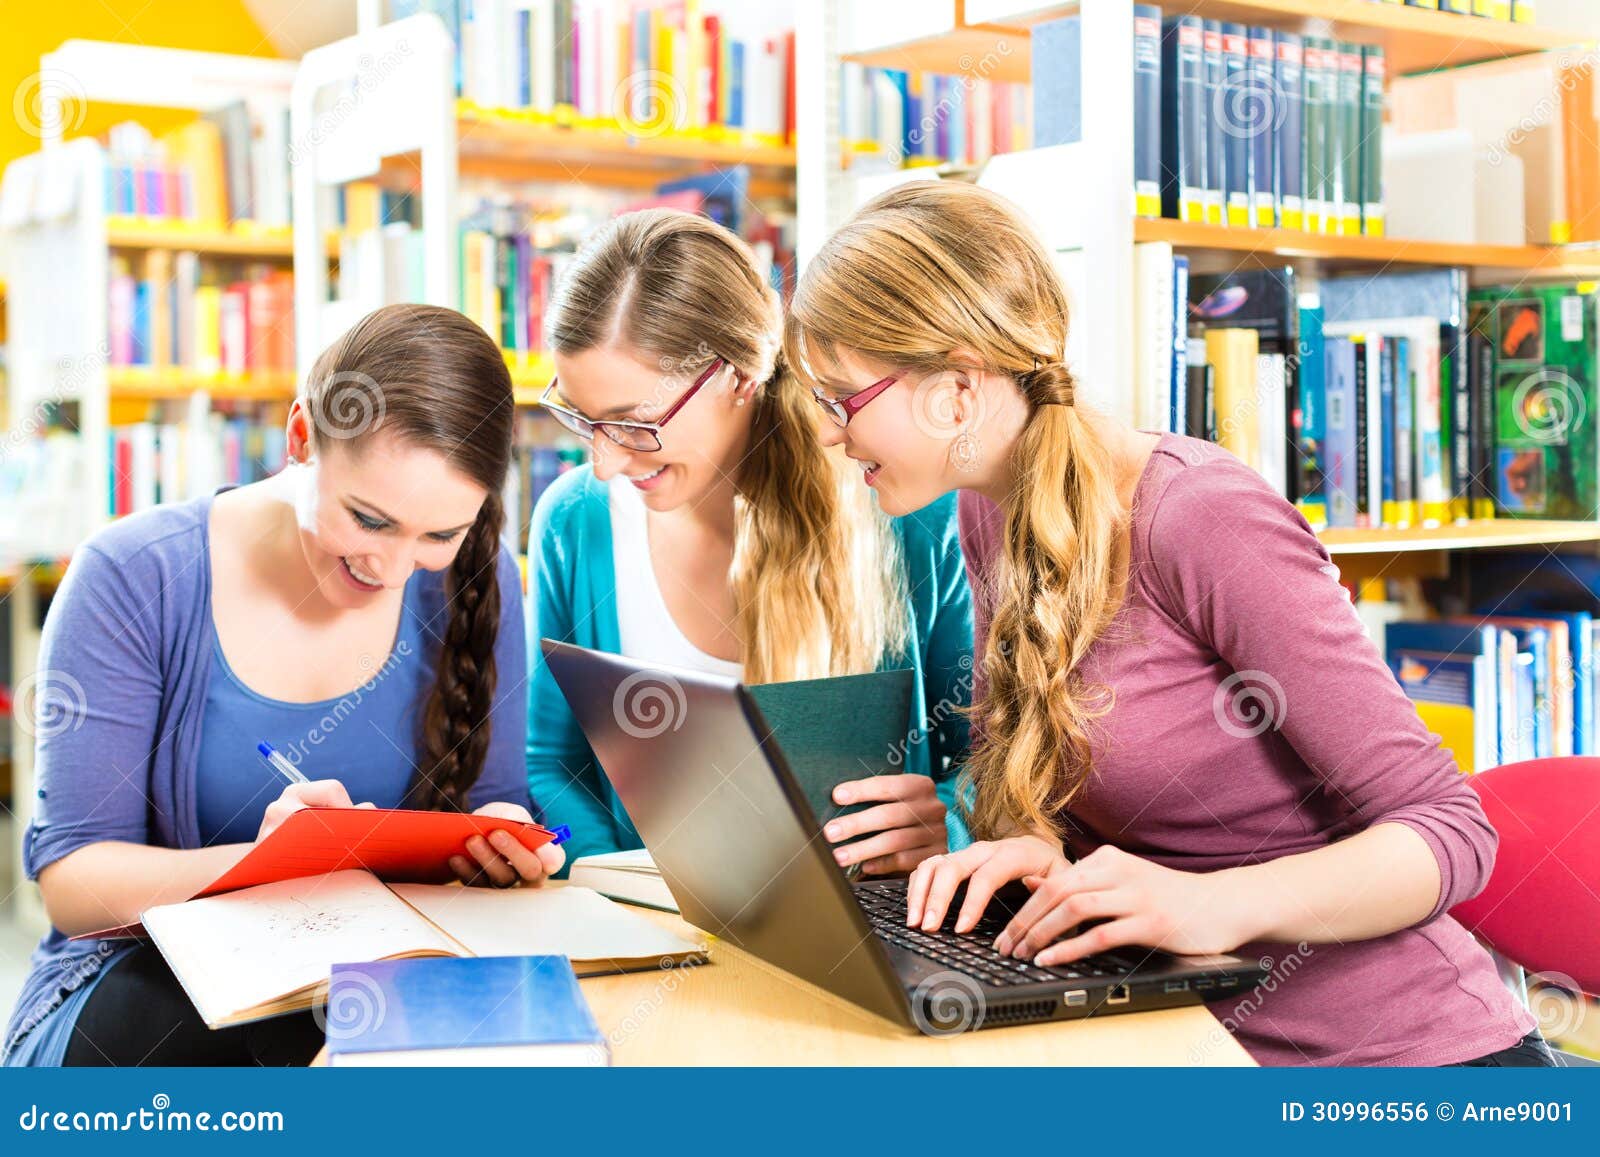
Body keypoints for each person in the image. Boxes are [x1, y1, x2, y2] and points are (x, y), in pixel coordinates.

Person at [781, 180, 1549, 1067]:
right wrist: (1012, 847)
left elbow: (1452, 828)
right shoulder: (987, 509)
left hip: (1395, 1062)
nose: (833, 435)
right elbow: (1056, 787)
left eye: (842, 399)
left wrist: (1212, 902)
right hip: (1174, 1036)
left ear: (957, 390)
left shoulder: (1199, 516)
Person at [4, 304, 560, 1067]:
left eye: (440, 534)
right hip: (143, 997)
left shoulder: (480, 579)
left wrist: (498, 839)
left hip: (375, 983)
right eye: (368, 519)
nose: (394, 569)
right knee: (285, 1040)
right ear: (301, 438)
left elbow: (489, 802)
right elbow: (75, 886)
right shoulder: (133, 575)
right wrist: (271, 865)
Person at [527, 209, 973, 873]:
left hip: (872, 930)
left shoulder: (908, 512)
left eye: (633, 424)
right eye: (582, 419)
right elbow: (552, 764)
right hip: (650, 937)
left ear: (738, 375)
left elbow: (987, 754)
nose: (605, 462)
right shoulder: (575, 521)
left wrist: (949, 820)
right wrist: (616, 881)